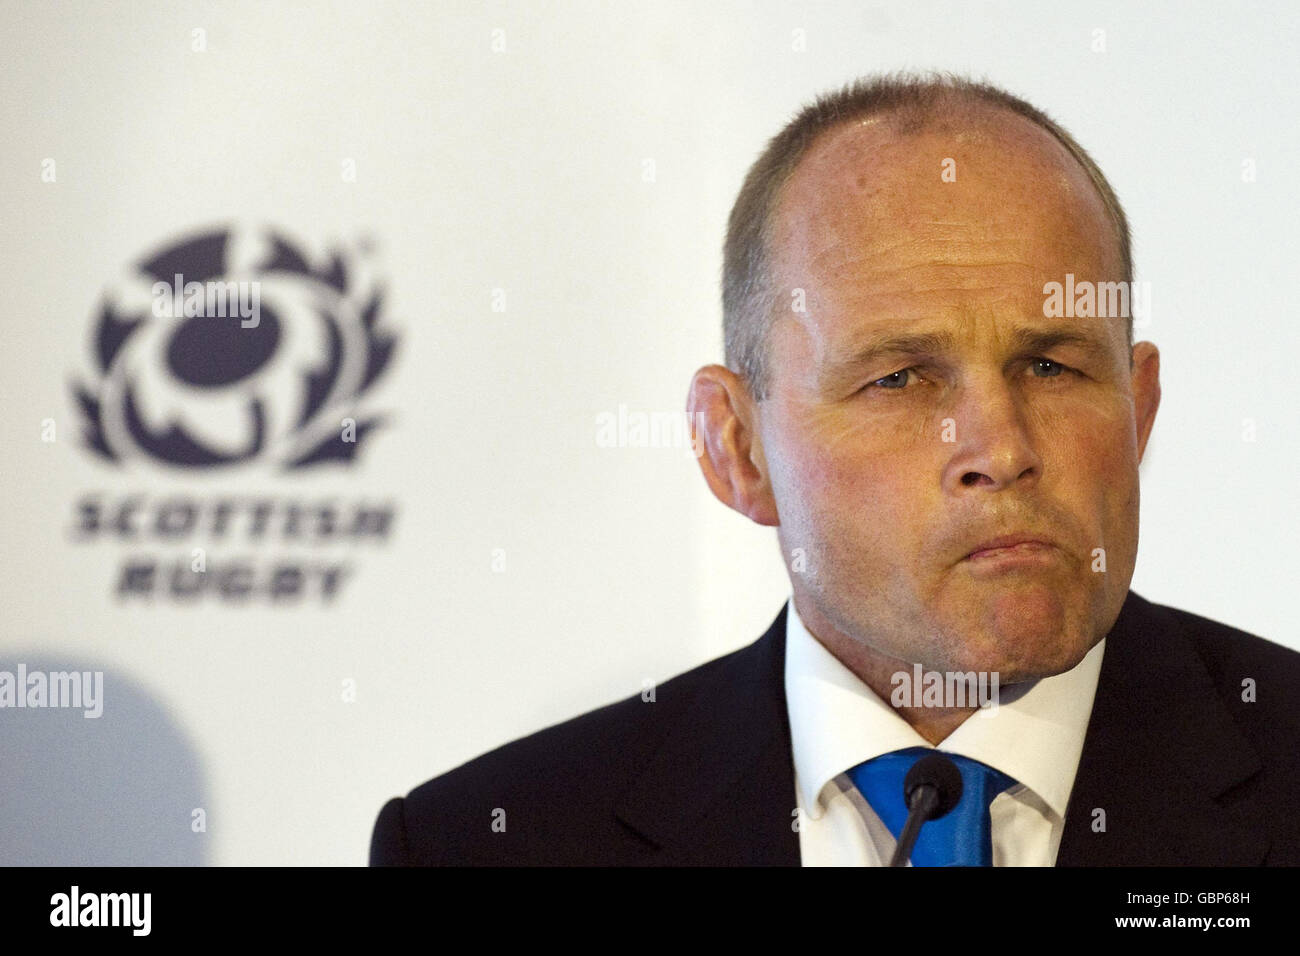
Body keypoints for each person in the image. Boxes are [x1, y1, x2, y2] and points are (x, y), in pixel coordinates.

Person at [370, 73, 1300, 866]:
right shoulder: (490, 845)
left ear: (1139, 408)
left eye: (1051, 366)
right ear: (737, 448)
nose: (1002, 450)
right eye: (900, 379)